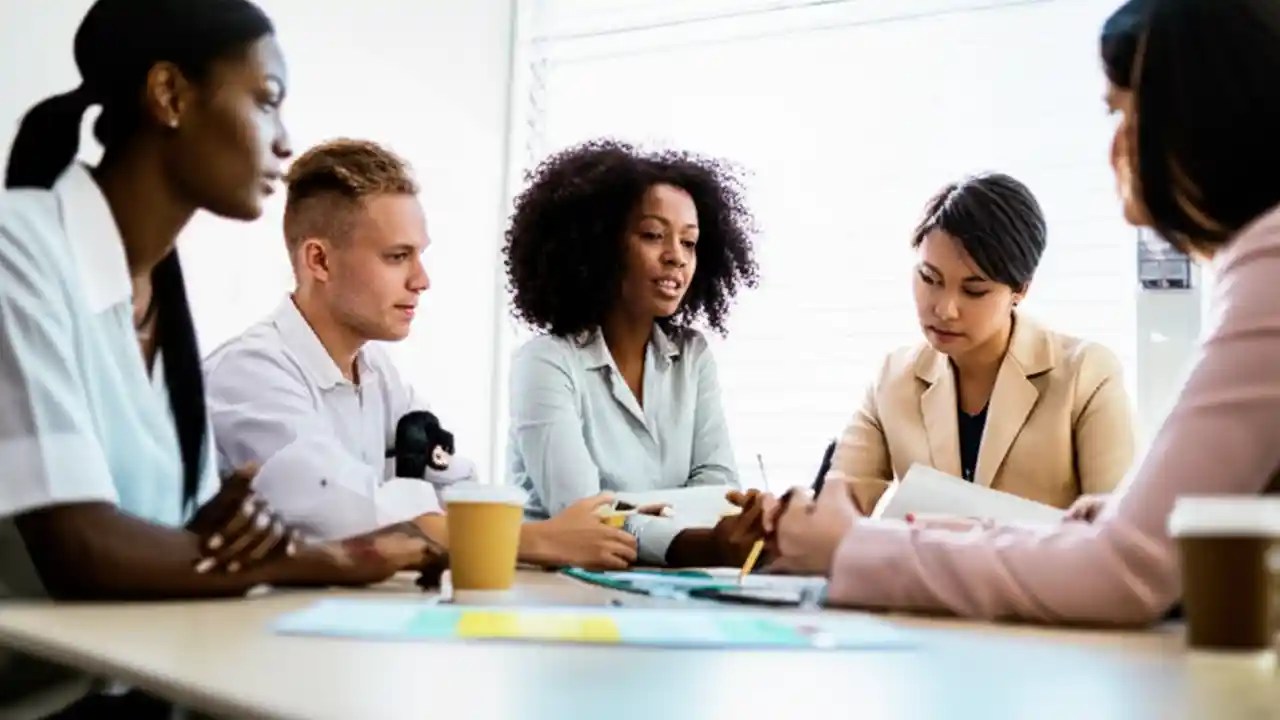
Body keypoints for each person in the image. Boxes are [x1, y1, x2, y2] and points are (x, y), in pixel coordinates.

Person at [771, 0, 1280, 625]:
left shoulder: (1268, 264)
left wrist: (853, 548)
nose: (1117, 146)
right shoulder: (892, 375)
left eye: (1125, 113)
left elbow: (1124, 571)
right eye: (929, 279)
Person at [0, 3, 415, 716]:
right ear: (169, 95)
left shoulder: (161, 292)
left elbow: (162, 549)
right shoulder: (20, 250)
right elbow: (81, 548)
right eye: (267, 101)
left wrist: (201, 536)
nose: (285, 142)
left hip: (146, 689)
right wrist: (313, 559)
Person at [205, 138, 639, 570]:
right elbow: (340, 514)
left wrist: (418, 510)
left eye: (419, 255)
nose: (421, 279)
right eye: (397, 257)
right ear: (319, 261)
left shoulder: (378, 374)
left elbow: (456, 489)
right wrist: (538, 540)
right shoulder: (249, 373)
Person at [503, 138, 769, 567]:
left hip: (662, 584)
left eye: (689, 242)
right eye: (652, 236)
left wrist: (631, 509)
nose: (676, 258)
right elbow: (583, 518)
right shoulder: (546, 363)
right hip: (558, 587)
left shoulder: (693, 355)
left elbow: (719, 484)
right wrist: (697, 538)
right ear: (600, 245)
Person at [825, 173, 1136, 514]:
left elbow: (1119, 531)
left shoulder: (1087, 375)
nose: (945, 309)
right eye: (930, 279)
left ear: (1020, 290)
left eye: (974, 290)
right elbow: (837, 506)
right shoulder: (893, 377)